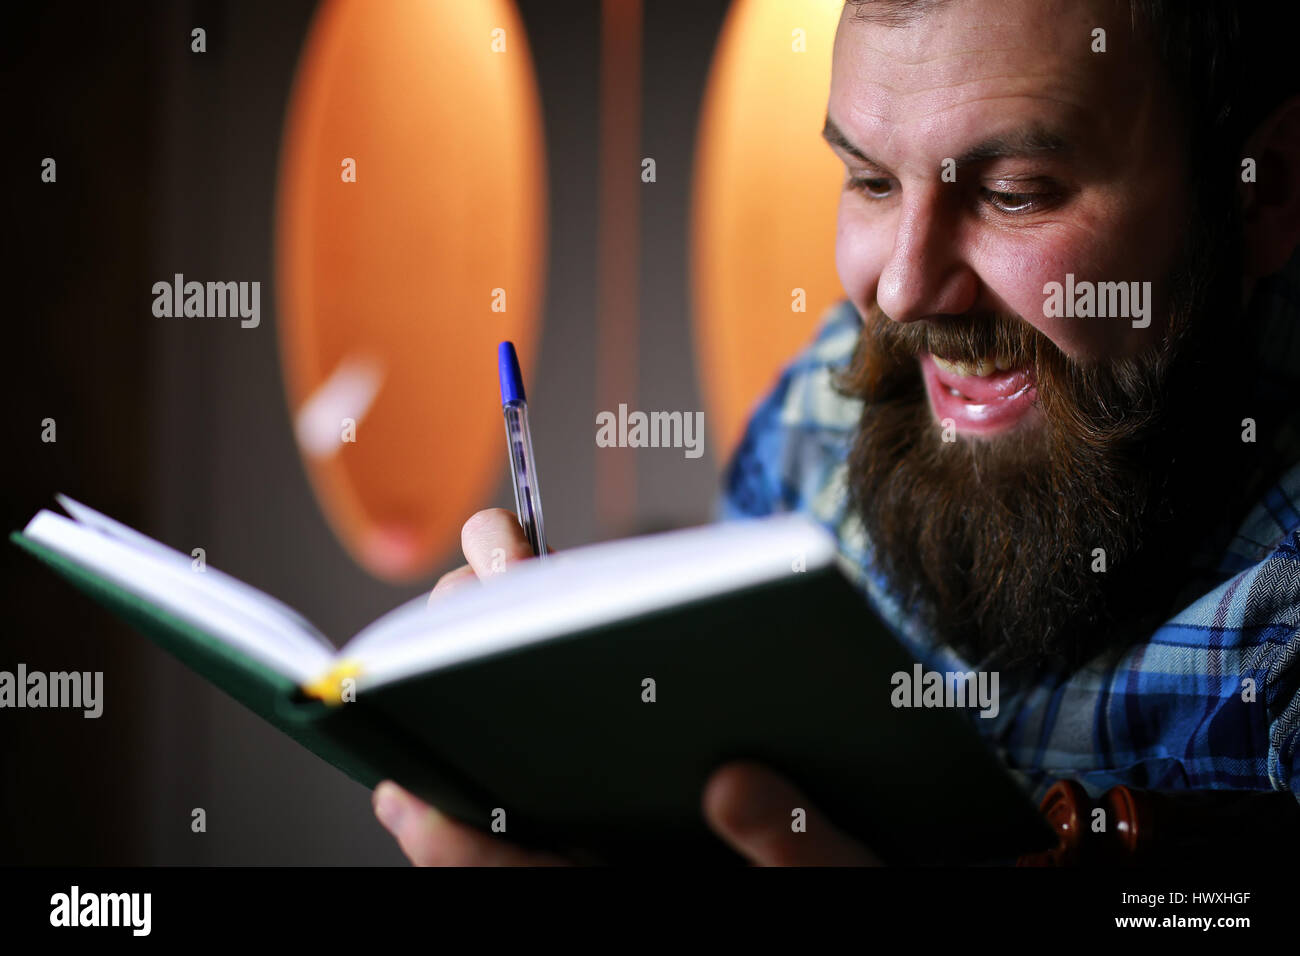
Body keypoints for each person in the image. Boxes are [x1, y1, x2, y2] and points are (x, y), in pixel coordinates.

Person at [373, 0, 1300, 865]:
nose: (899, 292)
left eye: (1017, 193)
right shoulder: (818, 418)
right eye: (869, 180)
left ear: (1263, 191)